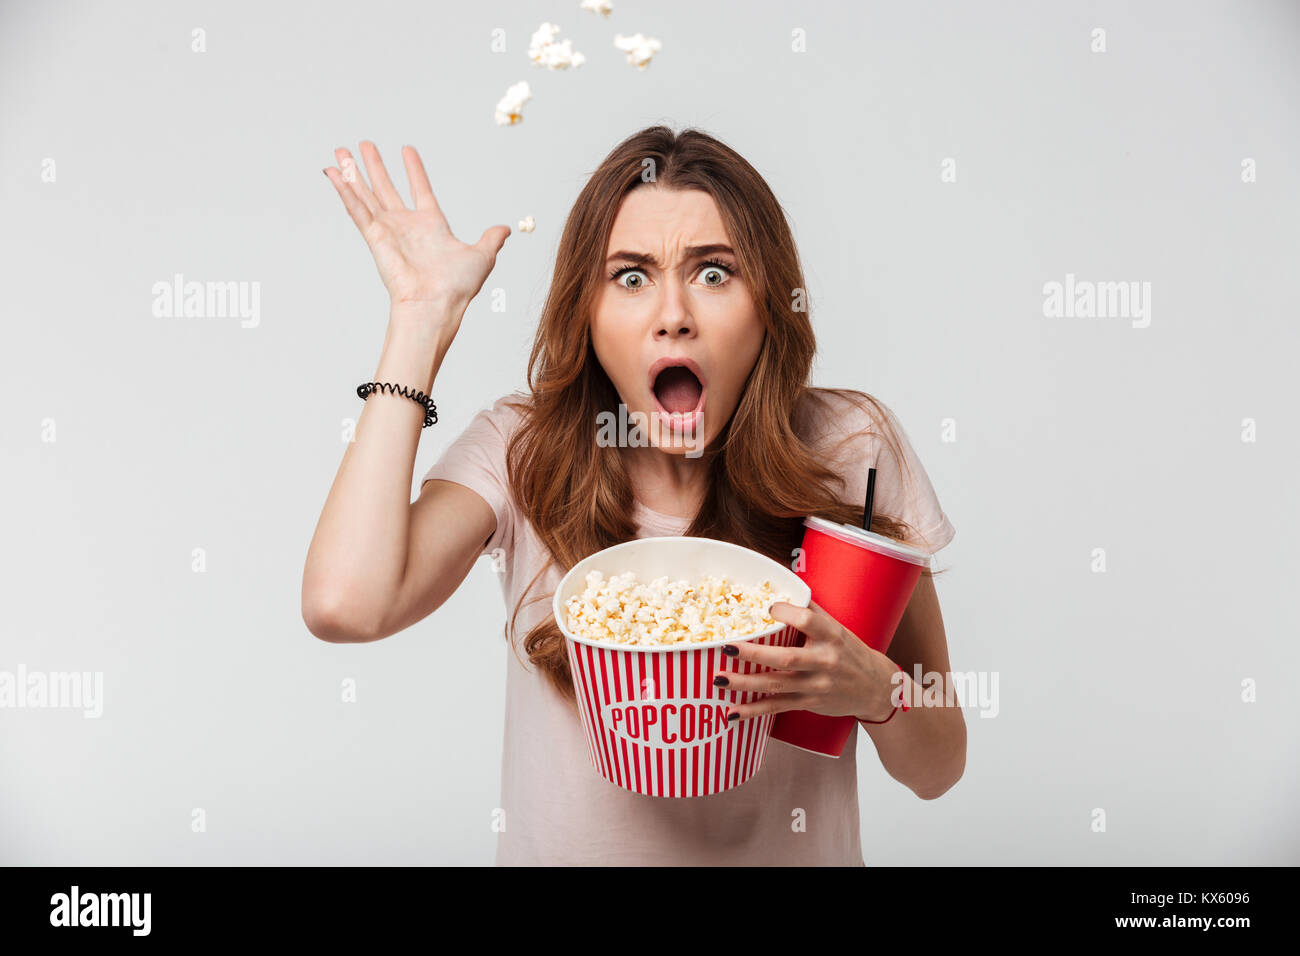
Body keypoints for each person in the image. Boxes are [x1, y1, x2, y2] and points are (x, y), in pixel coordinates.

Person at [303, 126, 965, 865]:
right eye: (630, 276)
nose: (673, 312)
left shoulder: (850, 448)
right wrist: (419, 320)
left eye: (715, 273)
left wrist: (876, 690)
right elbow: (345, 605)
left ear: (770, 304)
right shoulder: (523, 449)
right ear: (585, 312)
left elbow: (939, 767)